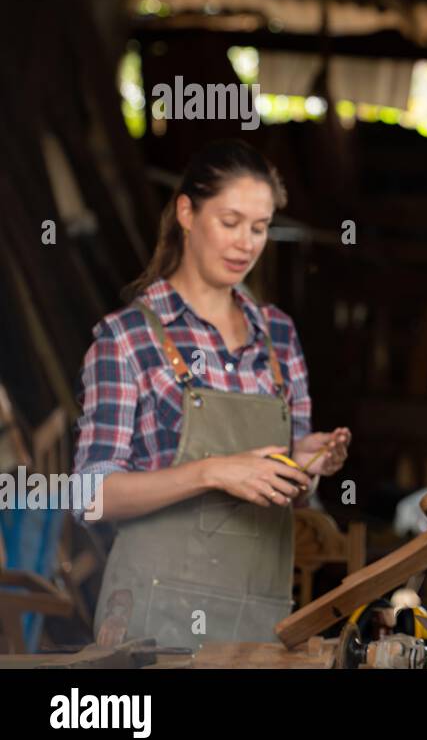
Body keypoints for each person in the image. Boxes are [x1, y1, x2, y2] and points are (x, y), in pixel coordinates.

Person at [73, 140, 350, 647]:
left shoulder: (279, 335)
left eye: (260, 227)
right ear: (186, 212)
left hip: (259, 622)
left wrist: (304, 463)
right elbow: (89, 496)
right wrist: (211, 471)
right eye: (230, 221)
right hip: (153, 624)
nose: (246, 242)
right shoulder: (127, 338)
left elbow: (295, 495)